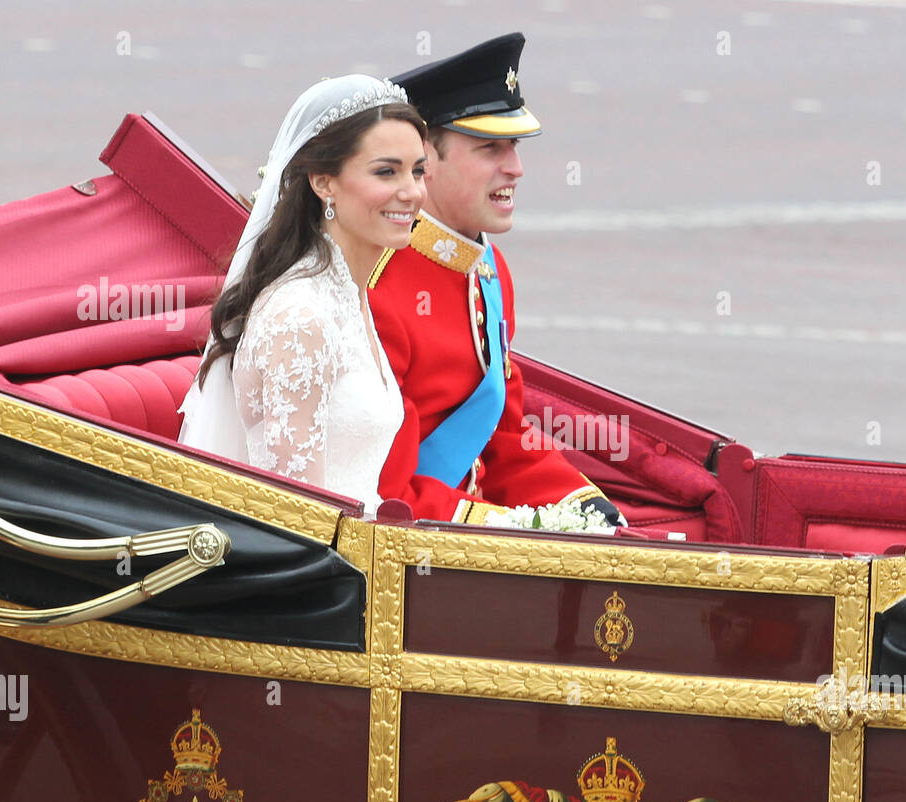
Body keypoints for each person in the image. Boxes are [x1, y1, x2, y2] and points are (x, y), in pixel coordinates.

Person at [368, 34, 622, 526]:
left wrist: (584, 508)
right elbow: (384, 491)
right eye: (490, 148)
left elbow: (503, 437)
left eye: (515, 146)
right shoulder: (375, 283)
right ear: (424, 158)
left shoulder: (488, 269)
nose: (516, 168)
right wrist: (505, 528)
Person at [178, 75, 426, 512]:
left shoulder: (349, 293)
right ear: (323, 182)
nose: (411, 192)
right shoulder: (300, 316)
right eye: (386, 171)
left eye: (418, 170)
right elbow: (299, 517)